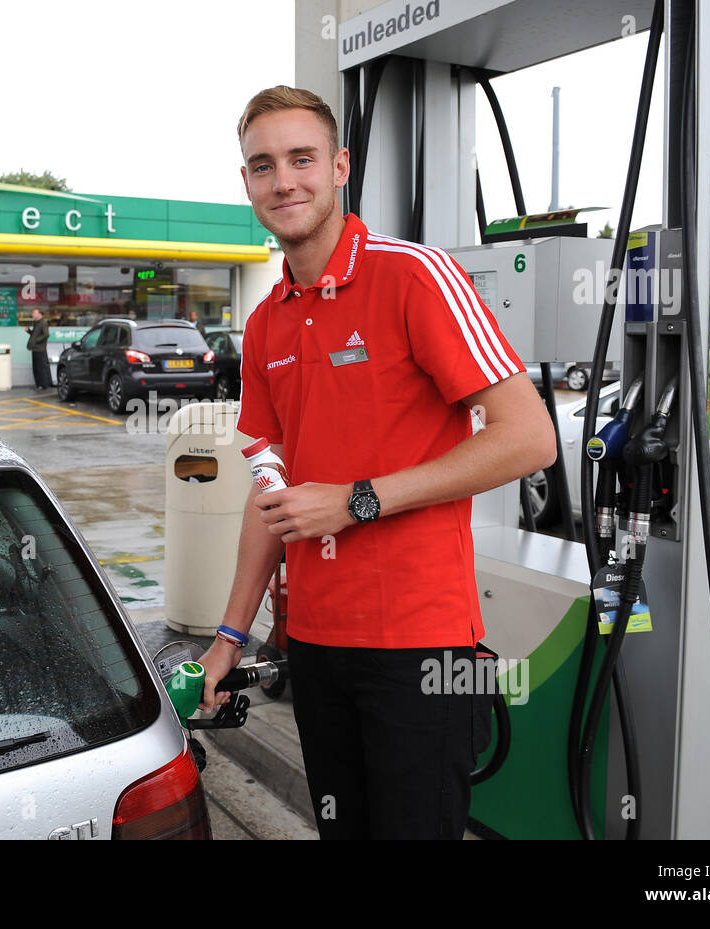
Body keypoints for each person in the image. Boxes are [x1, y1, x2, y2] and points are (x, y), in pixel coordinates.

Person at [197, 86, 555, 839]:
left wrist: (359, 500)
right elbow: (271, 488)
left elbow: (529, 437)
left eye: (302, 159)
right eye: (263, 166)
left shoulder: (416, 276)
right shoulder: (265, 325)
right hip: (317, 647)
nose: (284, 180)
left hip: (420, 646)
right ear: (247, 185)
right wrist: (229, 636)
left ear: (339, 167)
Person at [26, 308, 51, 390]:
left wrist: (36, 341)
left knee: (41, 368)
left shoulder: (43, 322)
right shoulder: (36, 323)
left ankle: (43, 385)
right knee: (36, 367)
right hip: (35, 348)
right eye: (32, 312)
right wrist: (29, 331)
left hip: (40, 349)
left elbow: (46, 334)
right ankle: (38, 384)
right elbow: (34, 334)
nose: (33, 314)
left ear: (40, 314)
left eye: (34, 313)